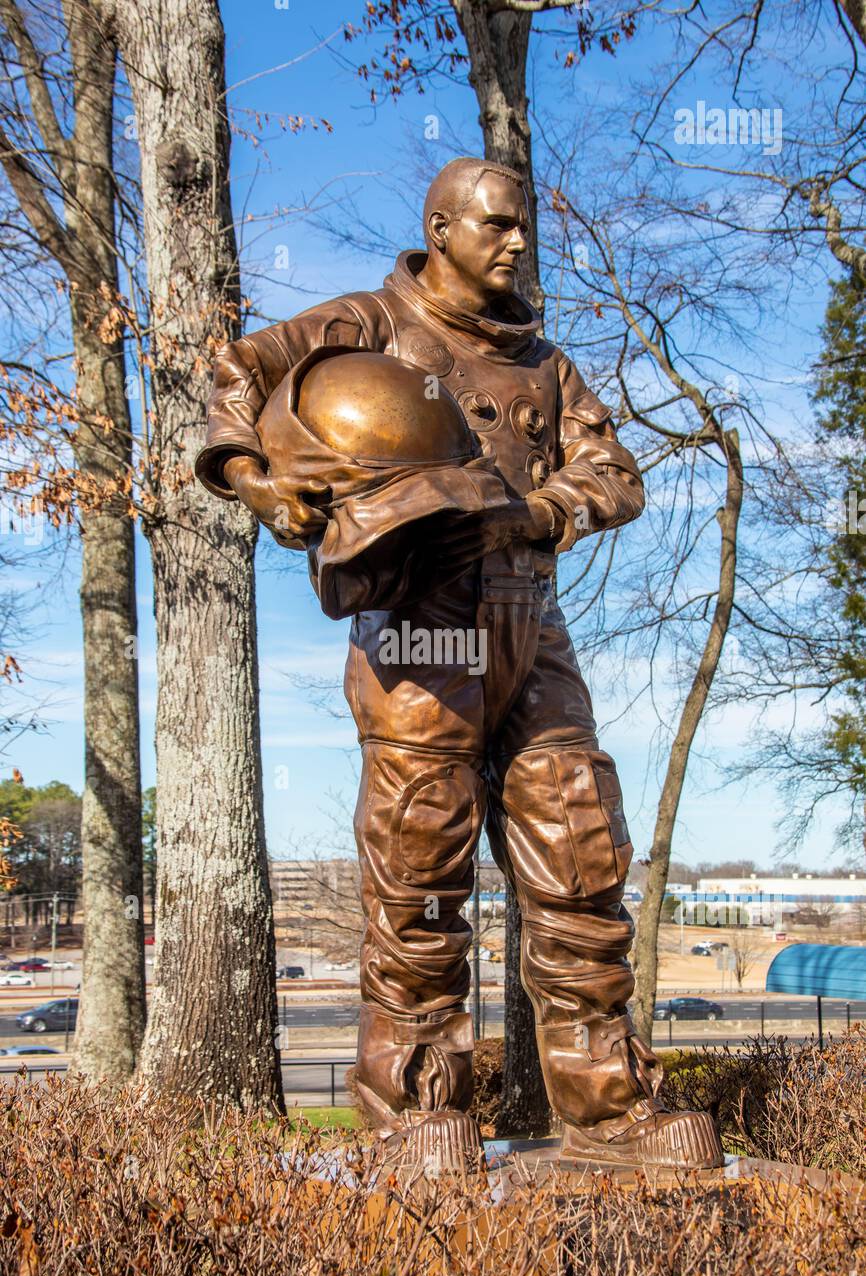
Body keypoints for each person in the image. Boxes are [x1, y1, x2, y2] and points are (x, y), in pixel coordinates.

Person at [196, 156, 722, 1170]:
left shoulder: (545, 363)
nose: (518, 243)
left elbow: (612, 475)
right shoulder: (363, 322)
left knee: (579, 852)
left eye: (521, 226)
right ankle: (414, 1109)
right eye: (497, 226)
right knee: (421, 866)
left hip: (531, 621)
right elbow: (241, 371)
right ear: (440, 228)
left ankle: (608, 1107)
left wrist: (540, 508)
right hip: (416, 625)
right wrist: (256, 481)